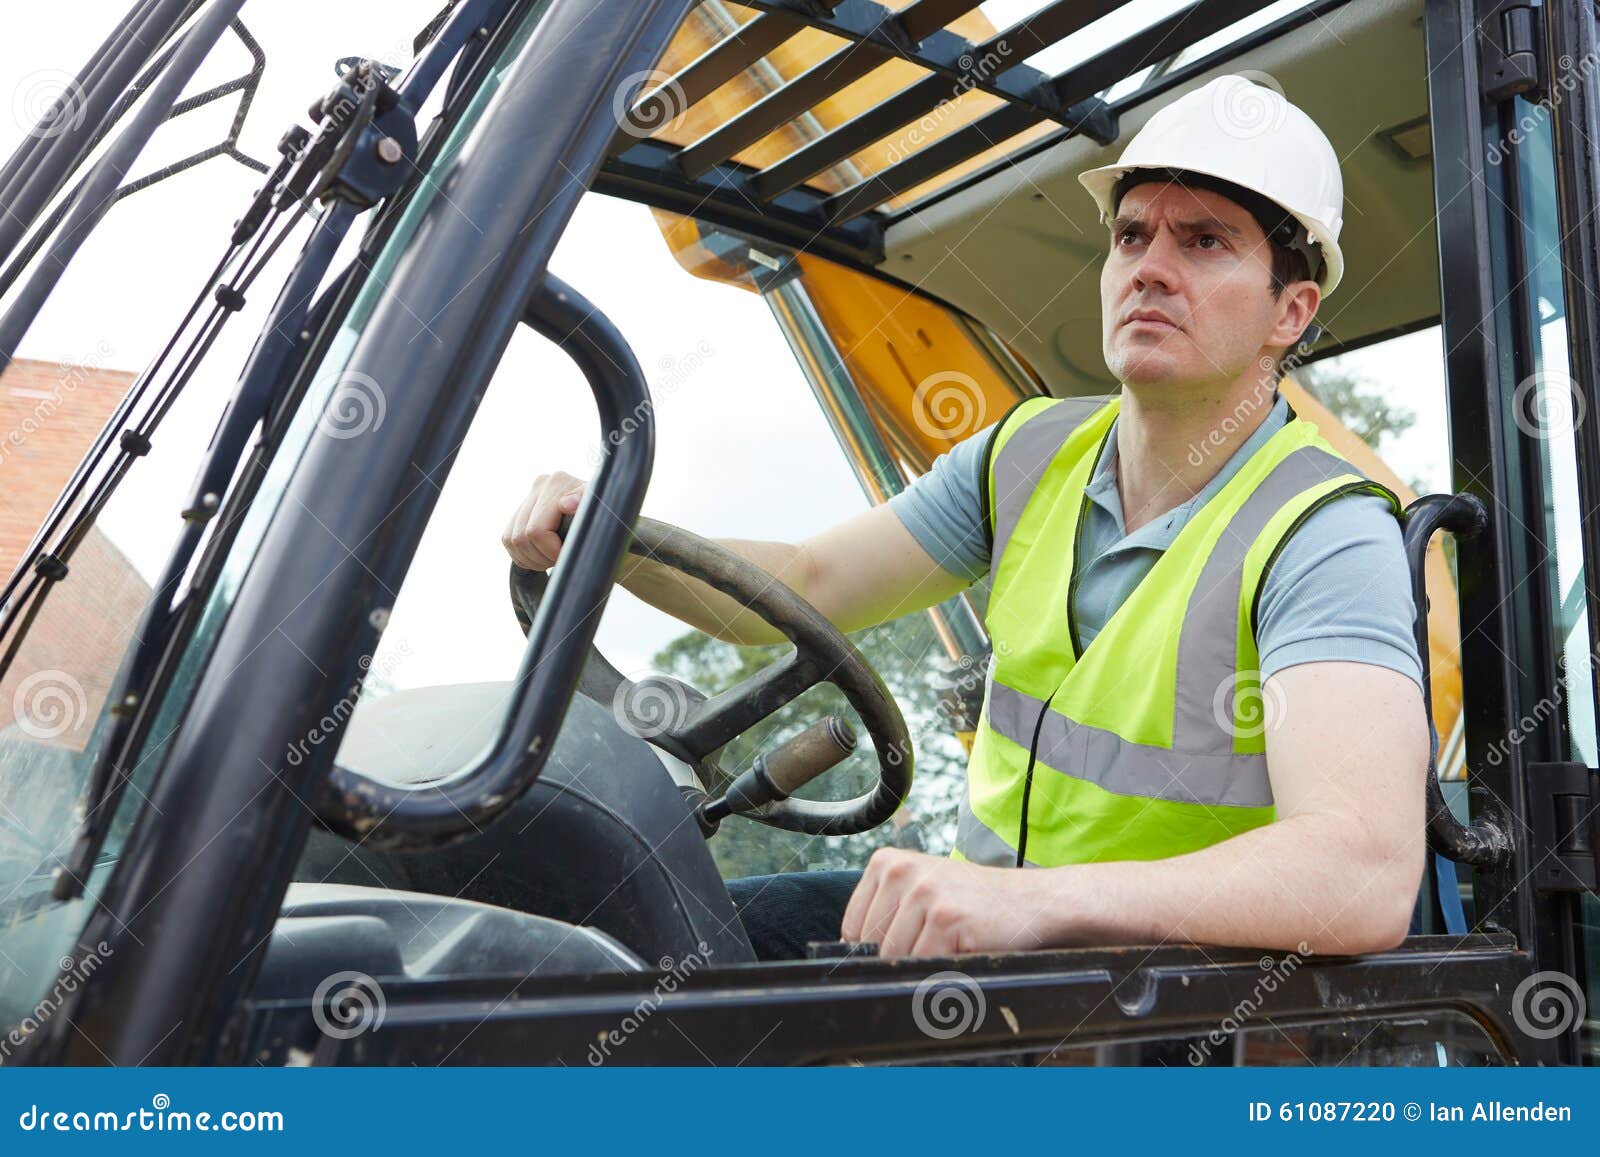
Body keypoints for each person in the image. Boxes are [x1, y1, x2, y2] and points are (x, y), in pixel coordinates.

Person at [503, 75, 1428, 962]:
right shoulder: (1027, 453)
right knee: (645, 936)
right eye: (1133, 234)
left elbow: (1364, 873)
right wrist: (610, 536)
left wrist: (1033, 905)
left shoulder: (1324, 530)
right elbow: (797, 587)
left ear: (1291, 311)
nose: (1150, 268)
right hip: (997, 937)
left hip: (1167, 998)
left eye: (1205, 243)